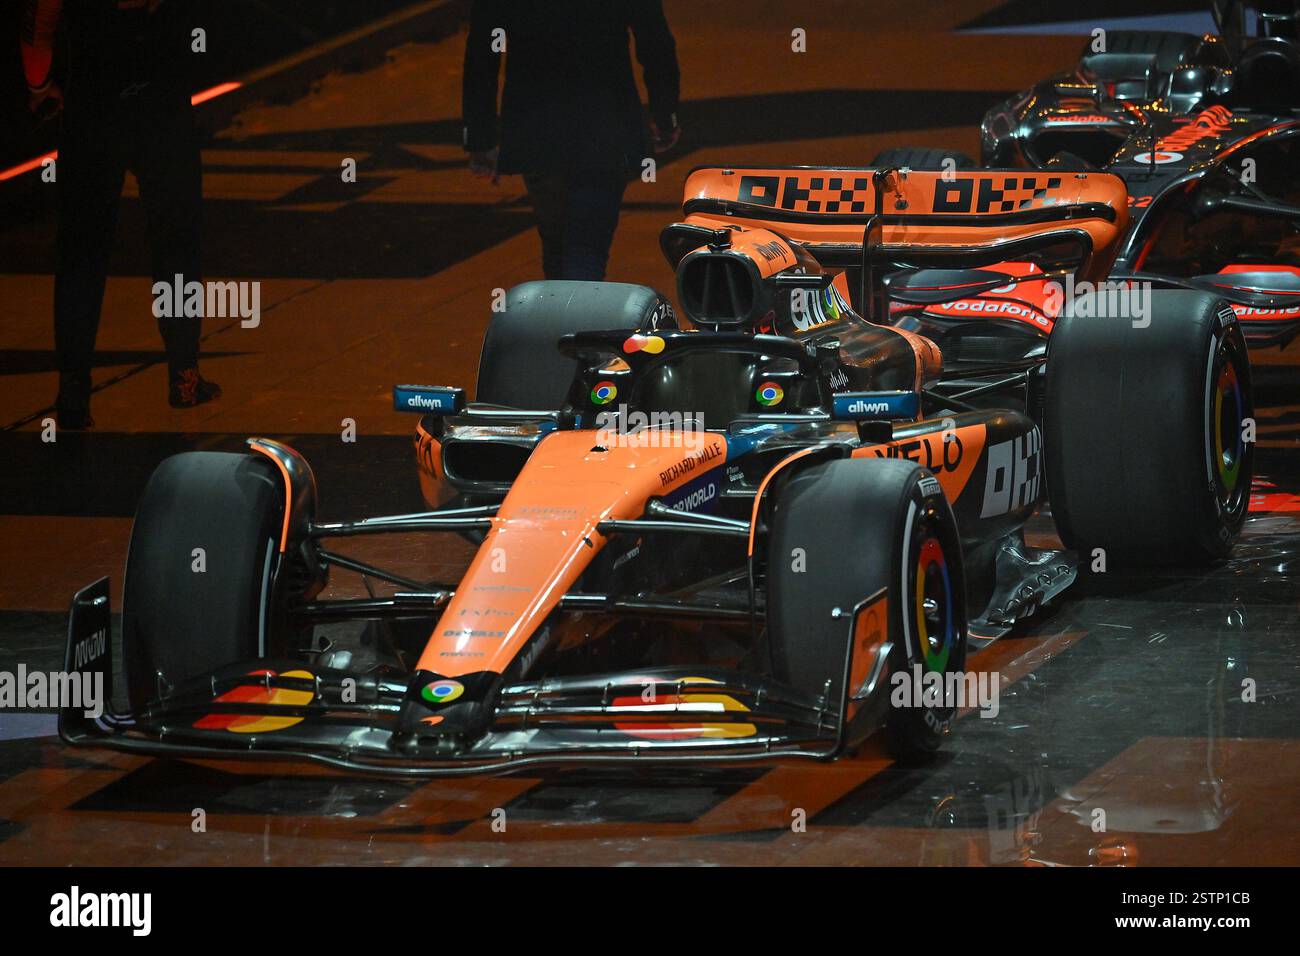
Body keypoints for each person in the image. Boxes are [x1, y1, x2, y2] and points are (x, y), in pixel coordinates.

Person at [22, 0, 220, 430]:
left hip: (93, 106)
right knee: (176, 243)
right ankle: (184, 376)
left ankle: (73, 392)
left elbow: (39, 26)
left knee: (81, 253)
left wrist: (39, 87)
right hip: (162, 104)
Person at [461, 0, 681, 281]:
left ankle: (560, 318)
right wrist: (664, 114)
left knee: (555, 242)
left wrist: (480, 137)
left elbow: (482, 49)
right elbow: (654, 39)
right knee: (588, 245)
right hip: (605, 118)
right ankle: (577, 318)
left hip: (536, 121)